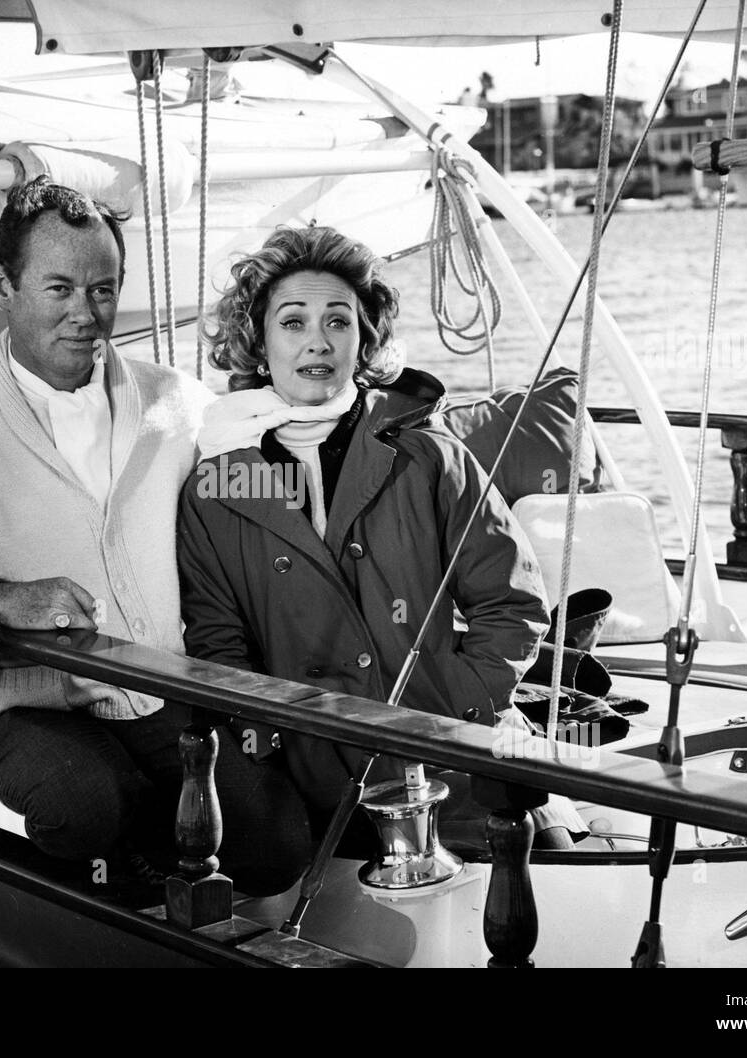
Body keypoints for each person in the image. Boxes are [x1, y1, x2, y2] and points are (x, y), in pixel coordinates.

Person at [0, 178, 311, 891]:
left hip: (163, 689)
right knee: (88, 806)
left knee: (277, 847)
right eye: (59, 290)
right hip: (29, 707)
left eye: (104, 291)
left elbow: (261, 488)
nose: (86, 315)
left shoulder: (176, 403)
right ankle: (131, 879)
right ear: (3, 285)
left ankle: (145, 872)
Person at [177, 224, 584, 847]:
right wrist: (280, 742)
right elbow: (218, 647)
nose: (318, 342)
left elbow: (513, 602)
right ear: (258, 341)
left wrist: (458, 699)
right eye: (293, 322)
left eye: (338, 322)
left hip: (458, 751)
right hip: (318, 779)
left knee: (556, 869)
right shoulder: (216, 485)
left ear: (363, 339)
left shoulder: (426, 453)